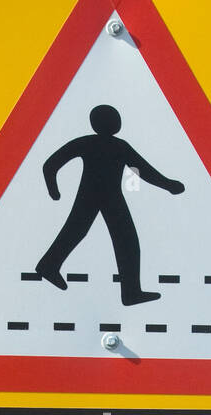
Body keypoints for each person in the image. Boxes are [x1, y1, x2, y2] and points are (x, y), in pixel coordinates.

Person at [35, 104, 185, 306]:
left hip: (100, 196)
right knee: (122, 240)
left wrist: (168, 185)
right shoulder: (116, 146)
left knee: (88, 234)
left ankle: (50, 265)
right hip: (103, 196)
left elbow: (141, 169)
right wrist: (53, 190)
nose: (118, 122)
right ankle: (129, 291)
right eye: (114, 119)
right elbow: (51, 165)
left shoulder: (99, 144)